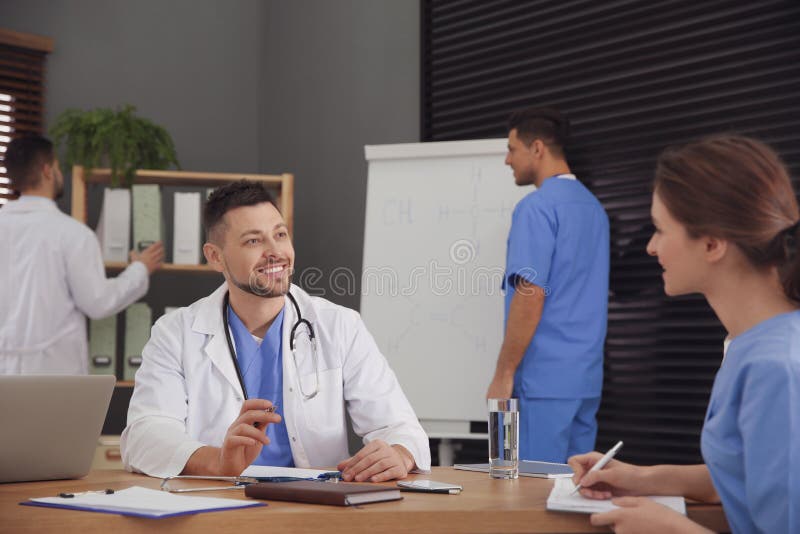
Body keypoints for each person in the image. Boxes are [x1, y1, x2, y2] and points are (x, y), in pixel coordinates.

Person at [121, 180, 430, 481]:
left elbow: (401, 427)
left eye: (280, 235)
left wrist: (399, 453)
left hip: (313, 505)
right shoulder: (174, 333)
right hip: (214, 502)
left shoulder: (339, 325)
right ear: (216, 257)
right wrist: (218, 462)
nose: (275, 252)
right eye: (253, 241)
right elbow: (145, 435)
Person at [569, 135, 800, 533]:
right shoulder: (752, 345)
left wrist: (671, 528)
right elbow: (749, 475)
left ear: (712, 244)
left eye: (660, 229)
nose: (650, 247)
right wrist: (639, 477)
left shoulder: (776, 367)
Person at [486, 107, 609, 463]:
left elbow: (530, 294)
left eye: (512, 149)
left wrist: (503, 375)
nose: (508, 160)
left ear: (537, 148)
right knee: (577, 483)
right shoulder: (594, 209)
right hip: (585, 380)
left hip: (542, 383)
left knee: (532, 487)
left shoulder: (536, 208)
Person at [0, 135, 163, 374]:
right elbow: (98, 302)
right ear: (47, 170)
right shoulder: (72, 234)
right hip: (54, 375)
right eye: (57, 167)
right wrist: (140, 269)